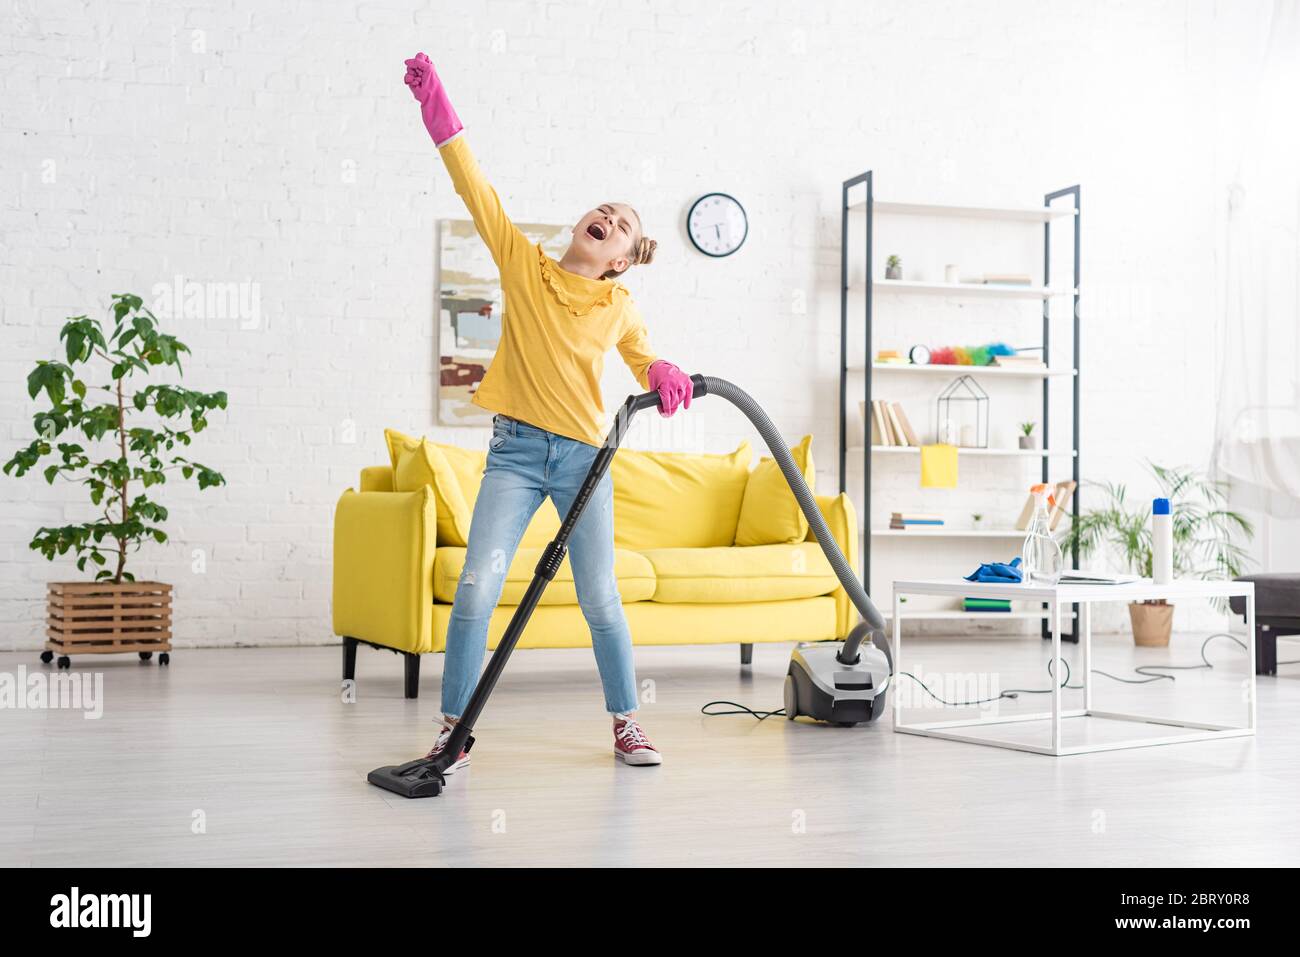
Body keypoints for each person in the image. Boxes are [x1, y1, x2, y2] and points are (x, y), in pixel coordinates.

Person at [403, 52, 694, 770]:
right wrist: (437, 107)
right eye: (603, 211)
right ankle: (453, 730)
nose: (607, 219)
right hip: (515, 453)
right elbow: (474, 185)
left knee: (600, 594)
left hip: (583, 463)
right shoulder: (523, 264)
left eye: (620, 224)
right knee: (478, 584)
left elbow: (642, 358)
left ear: (621, 258)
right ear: (581, 223)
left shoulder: (619, 304)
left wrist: (662, 370)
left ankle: (626, 723)